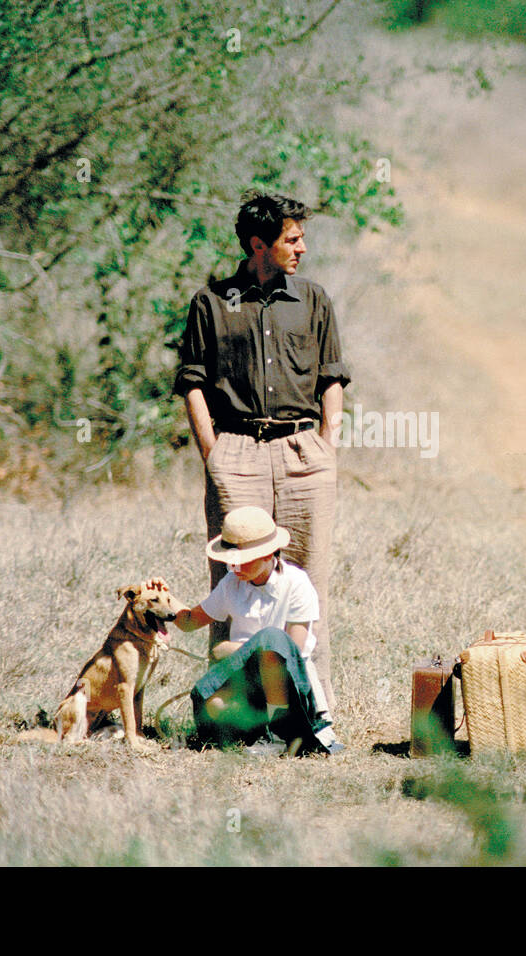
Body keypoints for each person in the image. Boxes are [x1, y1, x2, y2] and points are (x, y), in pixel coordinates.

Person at [173, 193, 349, 709]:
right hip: (238, 452)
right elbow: (192, 382)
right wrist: (214, 453)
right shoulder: (211, 303)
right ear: (258, 244)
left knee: (306, 580)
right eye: (292, 239)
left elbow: (332, 377)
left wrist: (327, 445)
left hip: (303, 454)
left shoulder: (313, 299)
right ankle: (229, 708)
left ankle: (311, 707)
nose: (303, 248)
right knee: (235, 577)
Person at [159, 506, 343, 756]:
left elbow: (292, 650)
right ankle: (261, 732)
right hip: (247, 681)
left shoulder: (296, 583)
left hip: (288, 682)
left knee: (271, 641)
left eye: (243, 560)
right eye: (230, 560)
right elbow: (190, 621)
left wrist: (230, 650)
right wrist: (161, 597)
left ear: (268, 554)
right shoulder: (231, 584)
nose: (234, 567)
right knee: (214, 706)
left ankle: (279, 735)